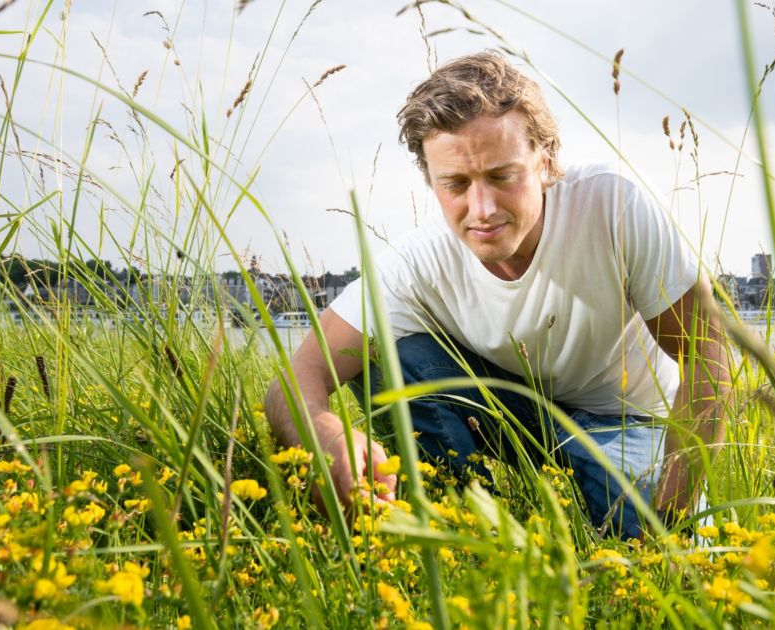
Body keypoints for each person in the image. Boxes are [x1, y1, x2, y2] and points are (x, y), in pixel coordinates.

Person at [265, 50, 731, 538]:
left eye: (501, 176)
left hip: (625, 418)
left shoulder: (614, 205)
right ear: (431, 180)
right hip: (515, 413)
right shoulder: (417, 263)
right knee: (391, 360)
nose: (481, 209)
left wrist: (673, 514)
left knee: (649, 541)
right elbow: (294, 379)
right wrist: (323, 434)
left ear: (545, 162)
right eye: (456, 184)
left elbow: (710, 360)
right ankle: (464, 522)